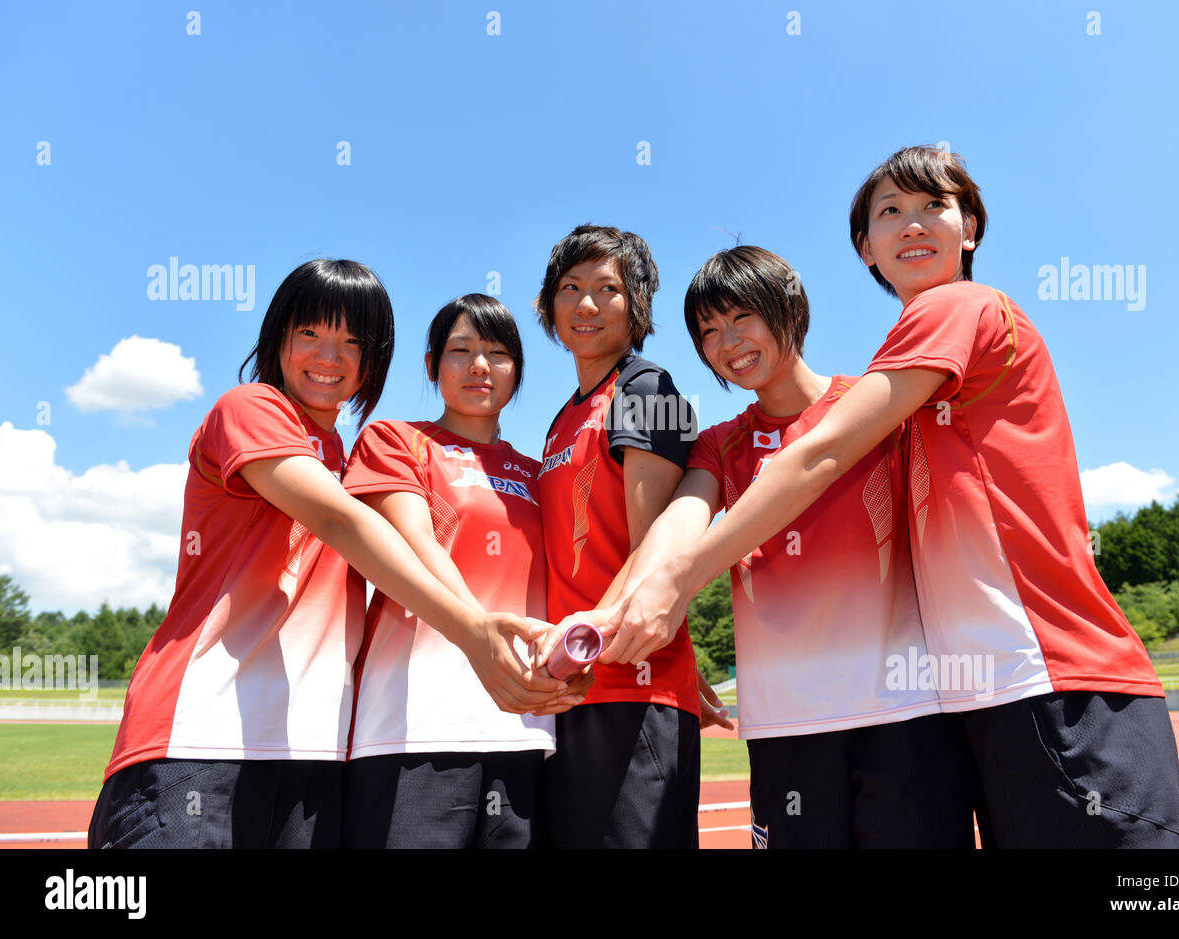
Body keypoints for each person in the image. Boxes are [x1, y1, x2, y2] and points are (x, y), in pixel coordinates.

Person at [601, 148, 1179, 848]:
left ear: (970, 226)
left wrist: (679, 584)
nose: (911, 224)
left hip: (1041, 681)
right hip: (974, 705)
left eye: (931, 206)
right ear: (864, 249)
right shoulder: (770, 430)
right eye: (890, 213)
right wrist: (614, 611)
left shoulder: (942, 326)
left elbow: (815, 454)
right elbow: (677, 519)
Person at [89, 260, 570, 849]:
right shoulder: (250, 409)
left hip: (315, 755)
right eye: (311, 334)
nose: (330, 357)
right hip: (198, 741)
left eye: (352, 342)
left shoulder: (346, 455)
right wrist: (474, 632)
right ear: (277, 339)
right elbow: (338, 520)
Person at [568, 245, 977, 847]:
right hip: (787, 725)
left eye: (742, 317)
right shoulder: (718, 445)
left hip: (906, 716)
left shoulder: (876, 407)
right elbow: (677, 526)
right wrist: (608, 617)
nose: (729, 342)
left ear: (788, 304)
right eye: (709, 331)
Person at [341, 294, 588, 849]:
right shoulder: (396, 441)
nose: (480, 365)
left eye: (498, 353)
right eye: (462, 350)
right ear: (432, 365)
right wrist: (483, 637)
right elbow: (413, 546)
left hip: (520, 728)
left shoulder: (539, 472)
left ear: (517, 372)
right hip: (411, 730)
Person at [533, 224, 712, 848]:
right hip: (572, 689)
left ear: (637, 304)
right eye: (569, 288)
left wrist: (588, 641)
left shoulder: (646, 389)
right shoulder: (563, 417)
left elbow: (654, 548)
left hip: (631, 684)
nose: (585, 304)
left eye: (607, 289)